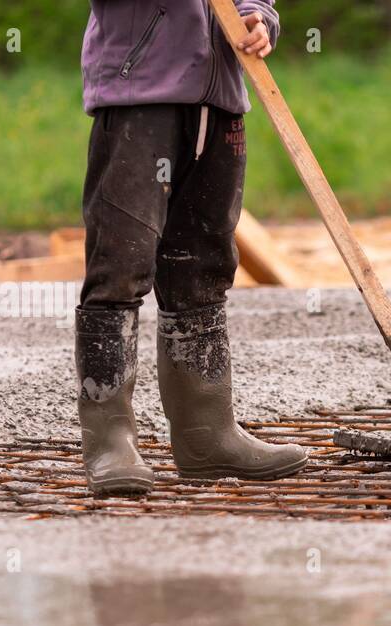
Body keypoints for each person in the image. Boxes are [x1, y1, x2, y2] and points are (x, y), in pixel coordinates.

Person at [74, 0, 307, 497]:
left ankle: (208, 436)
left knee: (203, 269)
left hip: (220, 103)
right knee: (121, 265)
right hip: (139, 98)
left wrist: (257, 20)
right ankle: (109, 441)